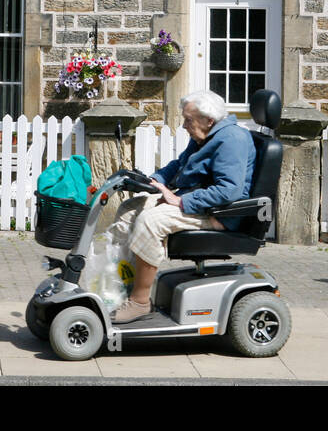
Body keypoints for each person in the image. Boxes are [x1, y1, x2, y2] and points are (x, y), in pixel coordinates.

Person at [107, 89, 256, 324]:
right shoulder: (204, 135)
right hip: (196, 202)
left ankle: (140, 302)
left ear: (208, 120)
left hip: (218, 214)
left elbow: (230, 190)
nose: (184, 125)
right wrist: (155, 181)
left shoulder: (232, 139)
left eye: (188, 120)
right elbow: (180, 165)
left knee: (150, 222)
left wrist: (182, 201)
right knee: (130, 209)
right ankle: (119, 284)